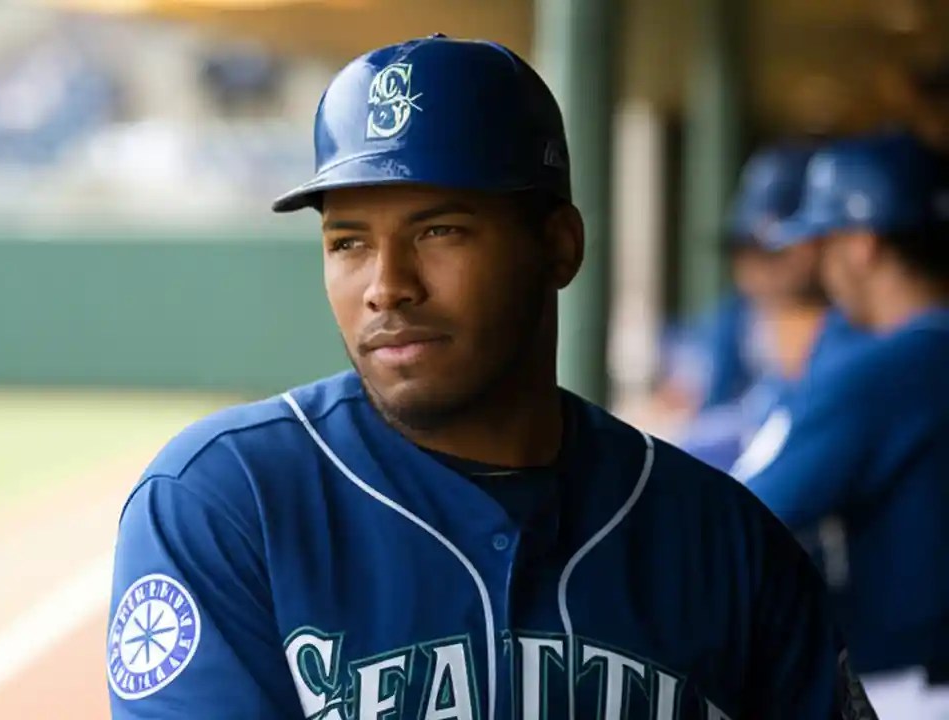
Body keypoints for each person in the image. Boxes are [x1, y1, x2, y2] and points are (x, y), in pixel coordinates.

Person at [106, 35, 872, 719]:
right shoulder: (226, 501)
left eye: (440, 230)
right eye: (347, 243)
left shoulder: (724, 541)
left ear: (560, 246)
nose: (387, 284)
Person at [734, 131, 949, 717]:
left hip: (916, 690)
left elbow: (743, 513)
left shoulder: (888, 370)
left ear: (861, 245)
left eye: (826, 243)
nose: (822, 267)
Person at [680, 143, 869, 472]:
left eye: (771, 251)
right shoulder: (738, 318)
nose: (753, 268)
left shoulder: (856, 338)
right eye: (744, 249)